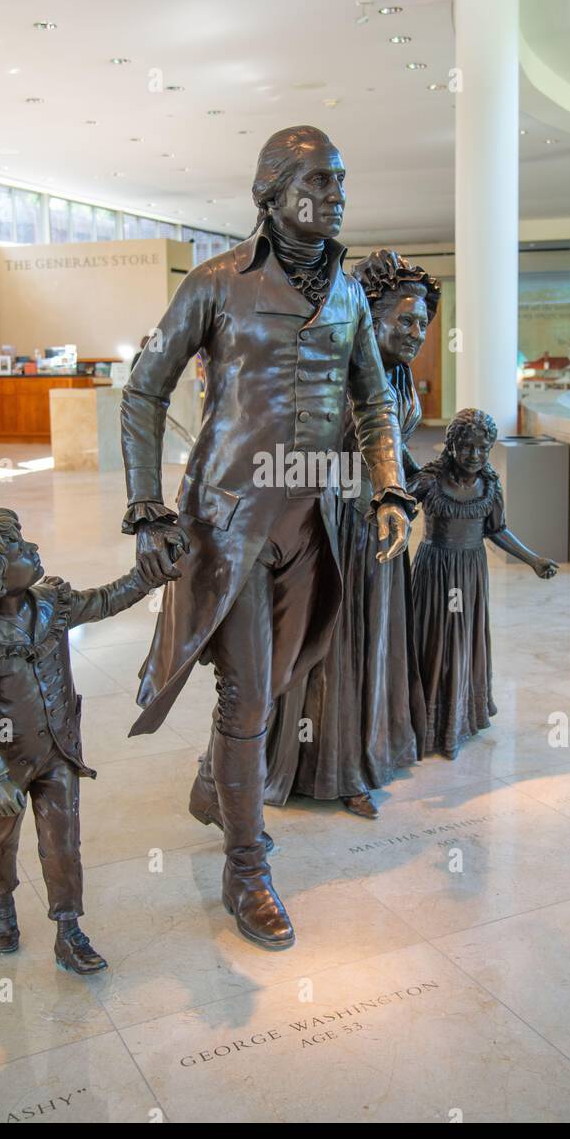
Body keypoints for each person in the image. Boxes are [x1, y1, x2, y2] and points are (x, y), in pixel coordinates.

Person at [121, 125, 415, 950]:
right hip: (231, 523)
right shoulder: (216, 283)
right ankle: (246, 866)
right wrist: (148, 508)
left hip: (311, 523)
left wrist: (389, 484)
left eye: (341, 180)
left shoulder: (351, 295)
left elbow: (373, 401)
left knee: (280, 678)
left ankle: (218, 781)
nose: (334, 194)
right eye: (318, 180)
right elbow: (144, 389)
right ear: (271, 193)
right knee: (247, 692)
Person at [263, 251, 440, 818]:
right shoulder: (336, 377)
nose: (416, 333)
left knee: (375, 639)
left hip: (378, 528)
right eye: (405, 322)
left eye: (423, 324)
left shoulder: (396, 373)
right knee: (333, 647)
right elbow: (311, 459)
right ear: (370, 319)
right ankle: (331, 767)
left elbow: (387, 444)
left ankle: (371, 749)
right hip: (335, 528)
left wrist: (411, 482)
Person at [0, 507, 154, 972]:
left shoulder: (52, 604)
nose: (31, 548)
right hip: (4, 763)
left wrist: (146, 576)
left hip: (57, 751)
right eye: (17, 547)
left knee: (63, 843)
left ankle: (69, 929)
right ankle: (1, 903)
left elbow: (104, 600)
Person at [411, 409, 558, 759]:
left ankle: (459, 719)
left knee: (463, 642)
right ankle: (425, 722)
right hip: (436, 571)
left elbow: (497, 529)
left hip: (470, 573)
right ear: (452, 446)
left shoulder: (489, 485)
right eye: (467, 447)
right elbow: (397, 504)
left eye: (482, 448)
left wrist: (533, 560)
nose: (475, 456)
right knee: (433, 640)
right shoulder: (431, 480)